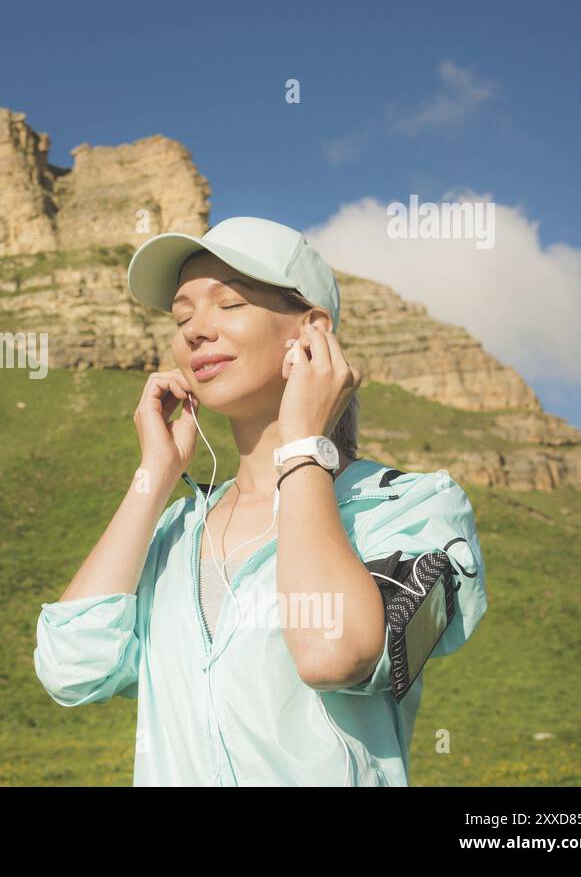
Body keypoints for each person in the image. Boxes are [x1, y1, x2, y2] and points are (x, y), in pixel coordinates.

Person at [33, 216, 489, 786]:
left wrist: (303, 446)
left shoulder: (411, 508)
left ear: (312, 330)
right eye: (181, 316)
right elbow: (72, 670)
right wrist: (153, 476)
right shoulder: (177, 531)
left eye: (228, 305)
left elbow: (332, 654)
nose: (195, 331)